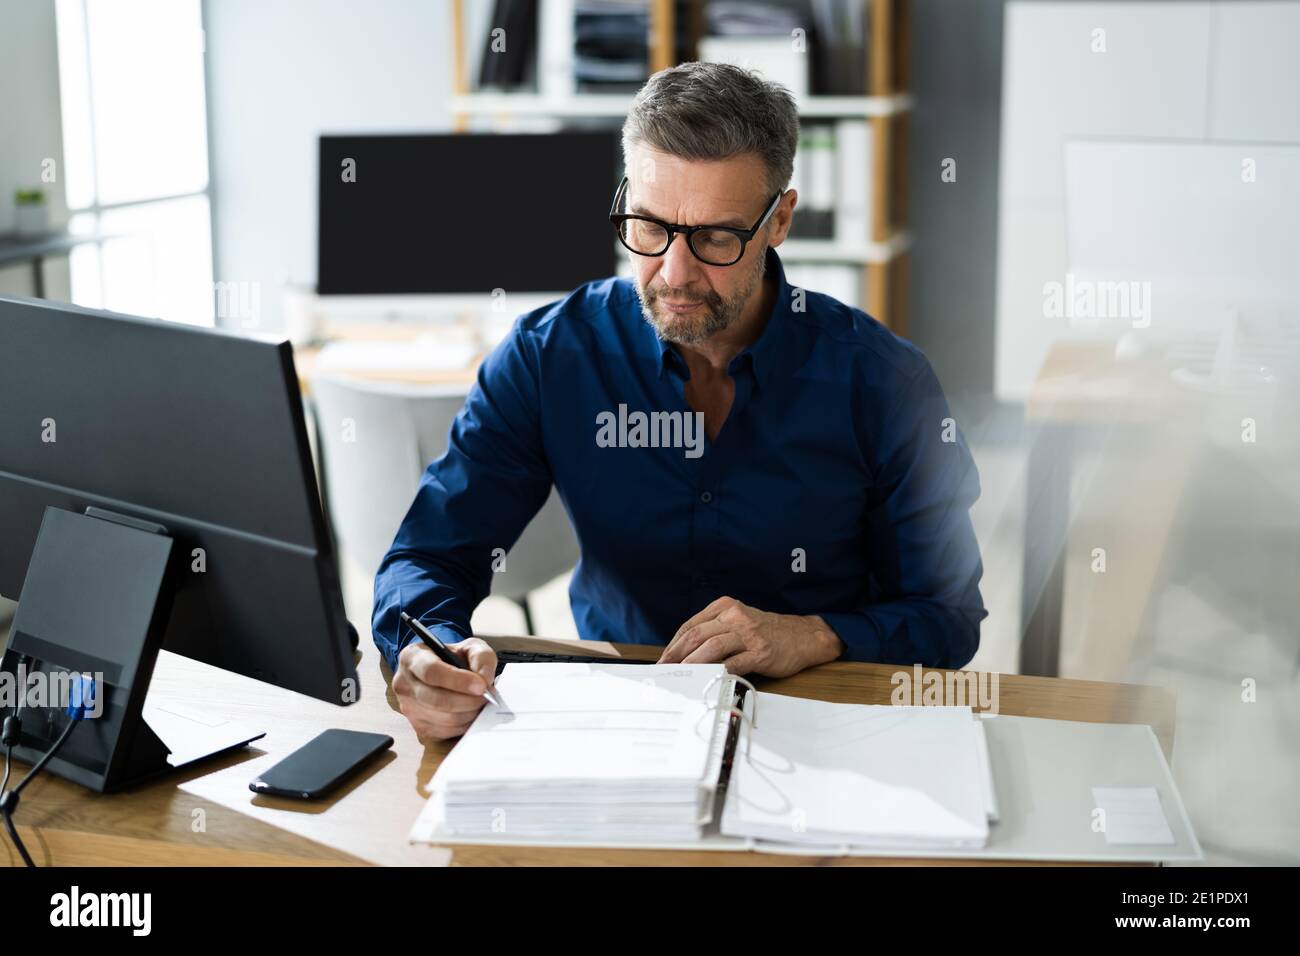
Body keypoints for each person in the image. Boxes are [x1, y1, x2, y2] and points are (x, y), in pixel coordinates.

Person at [374, 62, 986, 740]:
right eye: (648, 224)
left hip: (822, 715)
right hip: (619, 716)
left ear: (779, 219)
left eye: (717, 237)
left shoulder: (884, 382)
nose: (674, 273)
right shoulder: (550, 356)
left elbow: (948, 616)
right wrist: (425, 649)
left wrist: (817, 635)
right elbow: (428, 558)